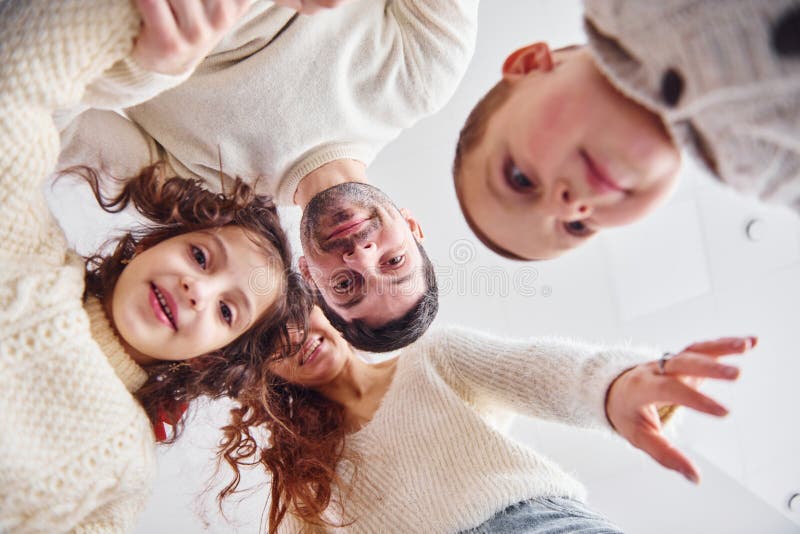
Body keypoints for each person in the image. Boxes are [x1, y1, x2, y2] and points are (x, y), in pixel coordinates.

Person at [0, 1, 311, 531]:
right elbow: (17, 96)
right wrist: (148, 54)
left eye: (227, 311)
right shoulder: (28, 247)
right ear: (151, 245)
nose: (198, 289)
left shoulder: (124, 471)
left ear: (209, 359)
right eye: (199, 255)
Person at [63, 0, 480, 351]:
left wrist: (141, 64)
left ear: (308, 275)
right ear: (412, 226)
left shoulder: (196, 193)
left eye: (345, 285)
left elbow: (54, 124)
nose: (361, 255)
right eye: (394, 260)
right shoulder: (424, 75)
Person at [217, 306, 755, 533]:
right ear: (265, 374)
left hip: (534, 524)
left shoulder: (432, 356)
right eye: (269, 343)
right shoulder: (305, 474)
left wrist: (612, 386)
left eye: (293, 313)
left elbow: (543, 370)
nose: (292, 336)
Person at [453, 0, 800, 261]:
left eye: (520, 179)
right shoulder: (759, 168)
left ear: (530, 65)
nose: (569, 208)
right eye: (577, 228)